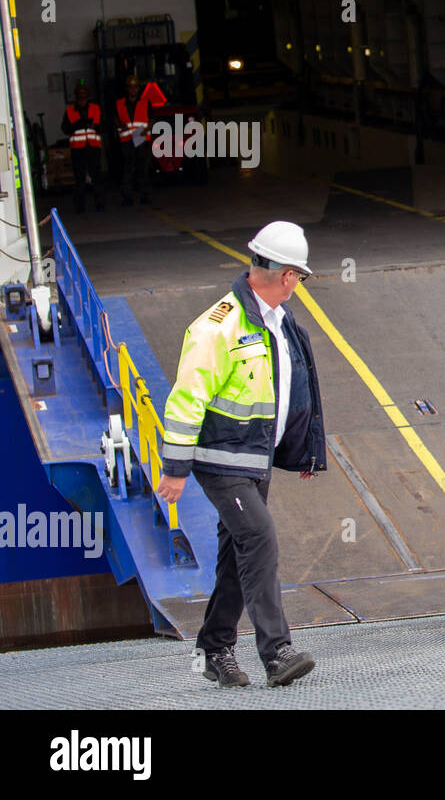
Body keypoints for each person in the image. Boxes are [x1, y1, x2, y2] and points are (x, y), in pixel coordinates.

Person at [156, 221, 326, 688]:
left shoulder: (277, 321)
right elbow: (185, 400)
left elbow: (290, 391)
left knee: (237, 554)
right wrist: (175, 469)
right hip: (222, 462)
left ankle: (215, 649)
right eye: (299, 276)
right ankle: (277, 652)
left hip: (255, 462)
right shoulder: (218, 327)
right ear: (288, 275)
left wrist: (303, 452)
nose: (298, 284)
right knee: (260, 539)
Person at [60, 83, 105, 212]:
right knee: (79, 179)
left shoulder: (96, 109)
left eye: (84, 96)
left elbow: (103, 127)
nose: (82, 98)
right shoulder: (69, 112)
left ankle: (100, 204)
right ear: (76, 97)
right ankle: (80, 206)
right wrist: (77, 125)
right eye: (80, 96)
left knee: (96, 177)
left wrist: (94, 127)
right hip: (78, 149)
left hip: (93, 148)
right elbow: (65, 129)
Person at [113, 75, 156, 206]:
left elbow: (152, 119)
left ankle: (145, 196)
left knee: (143, 168)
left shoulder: (145, 102)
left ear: (138, 88)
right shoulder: (119, 103)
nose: (133, 90)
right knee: (127, 169)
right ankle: (127, 197)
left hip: (141, 138)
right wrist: (120, 124)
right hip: (127, 139)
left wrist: (147, 129)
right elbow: (115, 119)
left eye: (135, 87)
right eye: (130, 87)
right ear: (127, 89)